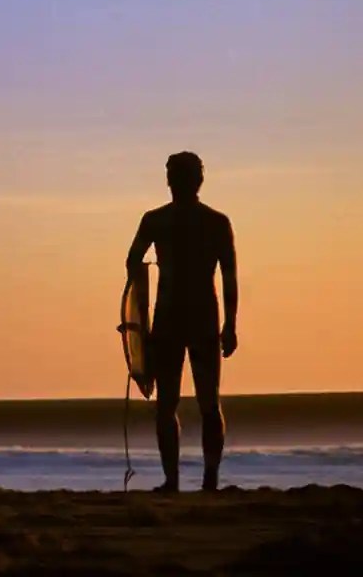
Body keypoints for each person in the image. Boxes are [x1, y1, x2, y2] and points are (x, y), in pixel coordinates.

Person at [126, 152, 238, 492]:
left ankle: (195, 480)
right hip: (185, 319)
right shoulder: (201, 222)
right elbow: (133, 263)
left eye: (178, 175)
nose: (175, 181)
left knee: (200, 403)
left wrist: (230, 325)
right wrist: (137, 322)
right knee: (183, 404)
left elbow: (133, 264)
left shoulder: (171, 221)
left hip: (182, 319)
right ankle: (195, 481)